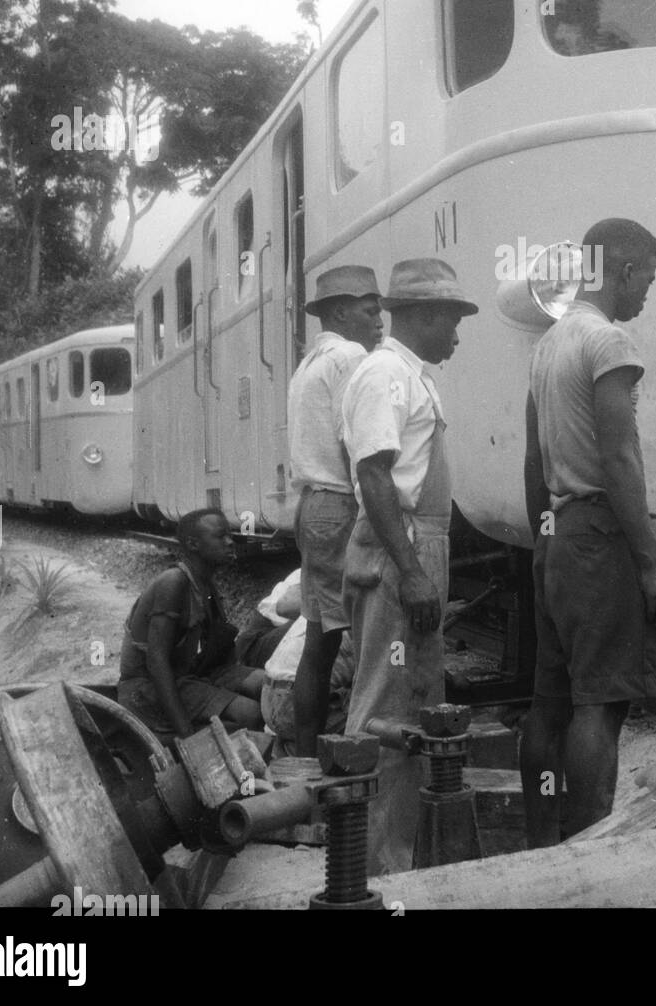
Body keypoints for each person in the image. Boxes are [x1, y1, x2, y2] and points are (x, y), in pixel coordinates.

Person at [521, 218, 656, 845]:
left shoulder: (548, 344)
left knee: (550, 701)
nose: (646, 293)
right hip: (598, 538)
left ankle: (542, 847)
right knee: (601, 703)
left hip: (558, 535)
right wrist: (650, 563)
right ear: (622, 270)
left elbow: (534, 461)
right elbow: (619, 457)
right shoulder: (609, 343)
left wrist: (543, 540)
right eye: (646, 278)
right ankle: (591, 860)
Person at [340, 257, 478, 873]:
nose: (457, 332)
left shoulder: (412, 376)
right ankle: (369, 868)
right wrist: (414, 570)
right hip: (403, 552)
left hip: (420, 545)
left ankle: (400, 857)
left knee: (416, 699)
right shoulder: (385, 375)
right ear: (420, 316)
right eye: (450, 318)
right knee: (385, 709)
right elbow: (374, 473)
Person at [287, 265, 383, 756]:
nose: (380, 321)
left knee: (319, 641)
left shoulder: (309, 364)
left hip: (311, 506)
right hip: (340, 503)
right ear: (341, 311)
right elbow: (356, 441)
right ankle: (356, 750)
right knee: (367, 634)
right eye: (370, 310)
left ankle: (305, 757)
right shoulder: (349, 357)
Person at [118, 508, 265, 741]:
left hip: (192, 674)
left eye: (229, 535)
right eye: (220, 536)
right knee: (252, 714)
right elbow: (156, 661)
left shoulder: (205, 583)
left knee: (269, 686)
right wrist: (185, 733)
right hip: (146, 688)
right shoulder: (173, 582)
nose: (230, 542)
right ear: (193, 544)